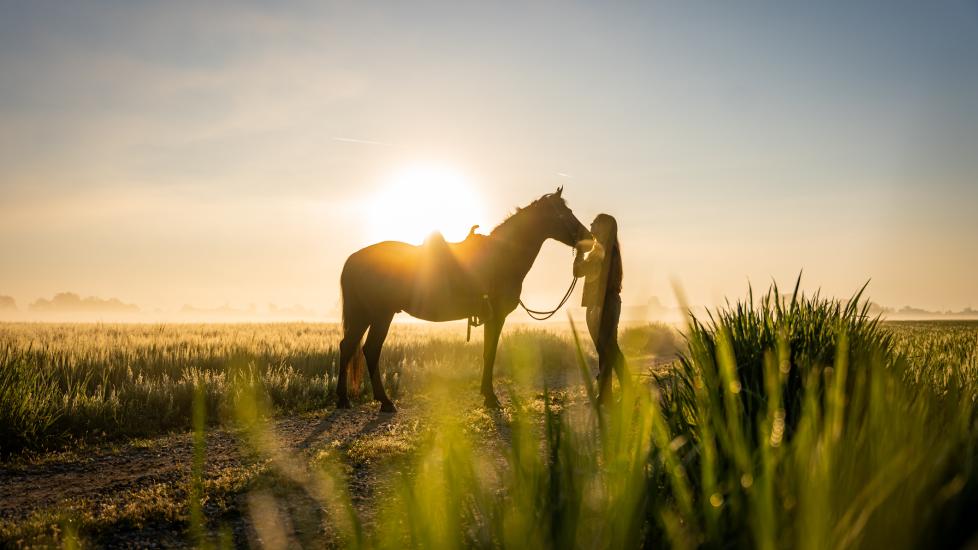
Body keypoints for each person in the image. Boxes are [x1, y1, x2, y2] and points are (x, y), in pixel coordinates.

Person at [574, 213, 627, 404]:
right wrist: (580, 249)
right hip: (600, 305)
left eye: (595, 222)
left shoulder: (605, 251)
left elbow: (601, 280)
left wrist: (597, 306)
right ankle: (607, 395)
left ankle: (617, 392)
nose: (591, 224)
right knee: (607, 350)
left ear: (603, 227)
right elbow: (578, 272)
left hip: (603, 305)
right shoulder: (600, 250)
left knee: (609, 349)